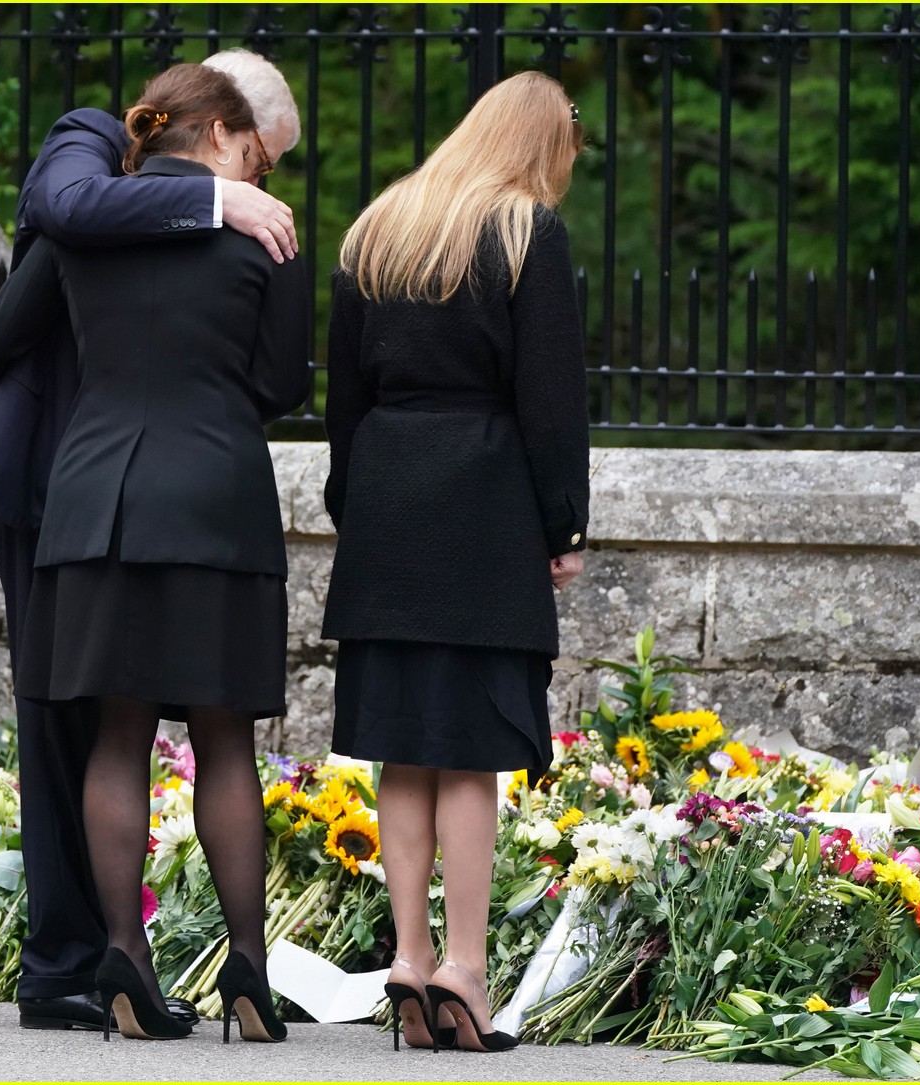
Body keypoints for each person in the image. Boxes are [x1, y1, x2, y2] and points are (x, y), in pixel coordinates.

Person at [0, 50, 300, 1033]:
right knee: (224, 735)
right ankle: (248, 967)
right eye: (257, 155)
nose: (260, 176)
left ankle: (122, 957)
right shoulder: (261, 236)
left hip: (95, 493)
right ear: (222, 134)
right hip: (216, 496)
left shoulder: (82, 235)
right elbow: (281, 385)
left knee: (117, 734)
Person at [322, 70, 589, 1053]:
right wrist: (562, 525)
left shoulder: (380, 228)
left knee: (402, 744)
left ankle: (407, 955)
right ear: (541, 145)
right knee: (470, 749)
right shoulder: (524, 232)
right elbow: (550, 399)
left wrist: (356, 508)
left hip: (386, 501)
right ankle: (465, 971)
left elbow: (342, 401)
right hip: (484, 506)